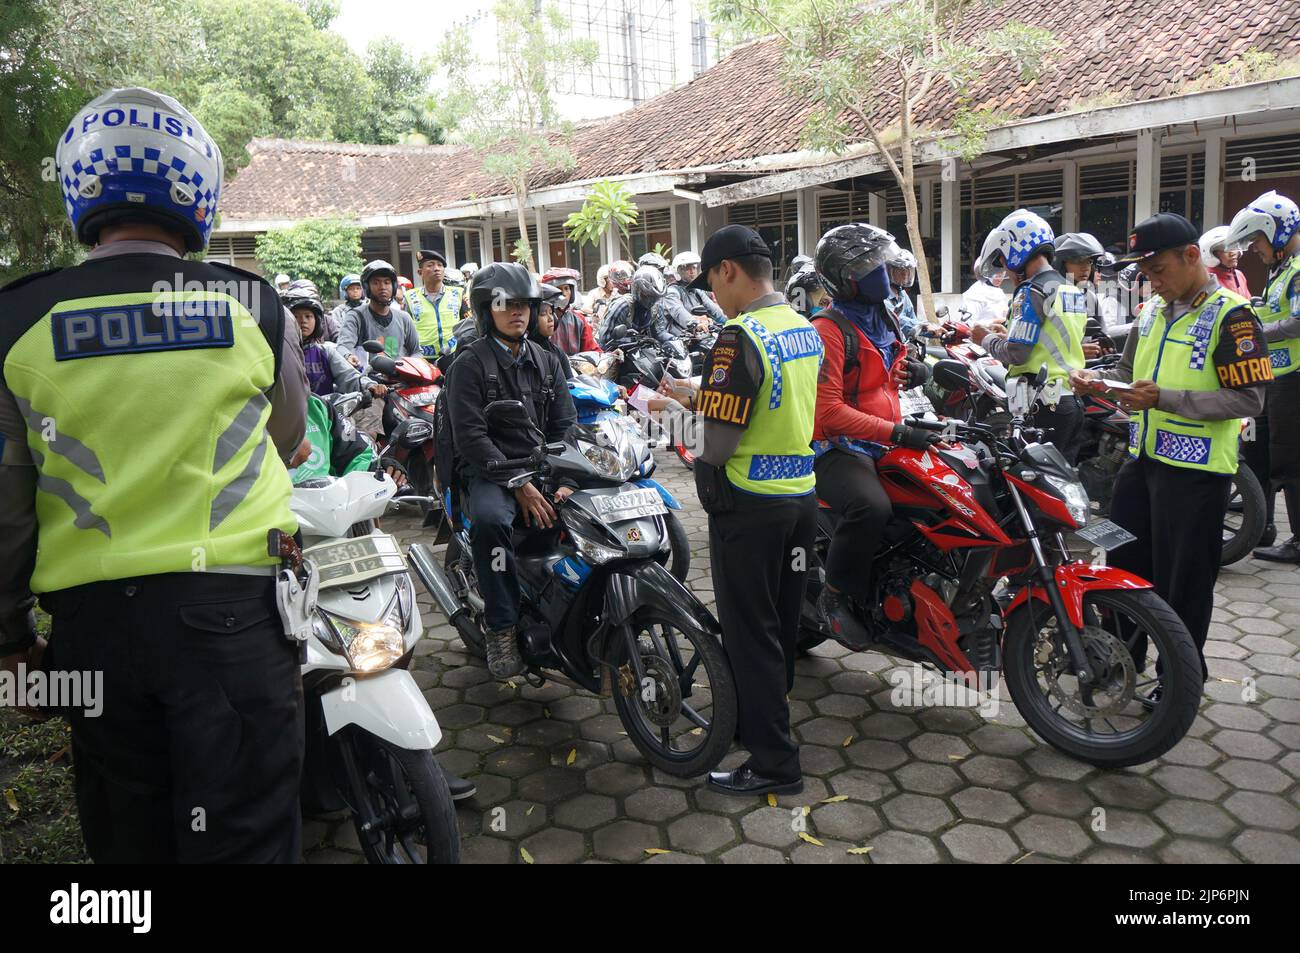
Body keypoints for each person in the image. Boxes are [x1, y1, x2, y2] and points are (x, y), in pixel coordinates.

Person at [0, 86, 308, 862]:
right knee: (244, 836)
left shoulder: (18, 316)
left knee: (128, 841)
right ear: (195, 189)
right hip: (236, 620)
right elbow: (291, 435)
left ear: (80, 187)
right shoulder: (251, 302)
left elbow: (5, 505)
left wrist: (9, 644)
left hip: (93, 634)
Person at [1071, 212, 1270, 687]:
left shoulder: (1233, 316)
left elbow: (1249, 399)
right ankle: (1121, 661)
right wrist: (1095, 383)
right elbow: (1125, 373)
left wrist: (1165, 399)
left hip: (1199, 473)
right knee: (1124, 565)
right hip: (1144, 461)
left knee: (1185, 582)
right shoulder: (1152, 313)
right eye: (1145, 273)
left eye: (1158, 270)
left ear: (1191, 256)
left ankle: (1180, 677)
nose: (1152, 282)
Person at [688, 225, 822, 797]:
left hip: (749, 506)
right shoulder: (803, 327)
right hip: (800, 496)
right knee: (782, 624)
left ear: (728, 271)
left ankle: (774, 762)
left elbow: (717, 444)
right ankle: (767, 721)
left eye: (711, 283)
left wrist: (692, 442)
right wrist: (691, 394)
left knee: (750, 633)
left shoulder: (736, 337)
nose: (712, 297)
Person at [444, 263, 577, 678]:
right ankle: (501, 627)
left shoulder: (547, 359)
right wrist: (517, 483)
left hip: (542, 464)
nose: (516, 312)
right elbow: (470, 437)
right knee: (490, 524)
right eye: (505, 305)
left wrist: (570, 476)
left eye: (523, 304)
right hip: (490, 471)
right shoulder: (469, 364)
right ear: (487, 310)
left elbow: (565, 423)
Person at [808, 225, 936, 644]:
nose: (879, 273)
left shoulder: (886, 314)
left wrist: (918, 371)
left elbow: (885, 377)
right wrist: (895, 433)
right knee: (870, 506)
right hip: (836, 446)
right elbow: (828, 411)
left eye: (879, 263)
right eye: (867, 267)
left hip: (886, 436)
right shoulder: (828, 328)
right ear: (844, 278)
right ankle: (835, 594)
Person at [970, 210, 1088, 463]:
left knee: (1035, 490)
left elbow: (1017, 353)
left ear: (1015, 251)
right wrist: (1008, 333)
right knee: (1062, 487)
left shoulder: (1031, 289)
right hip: (1071, 402)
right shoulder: (1069, 288)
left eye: (1003, 262)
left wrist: (984, 339)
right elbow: (1053, 340)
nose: (1007, 272)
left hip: (1044, 405)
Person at [1223, 190, 1300, 562]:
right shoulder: (1281, 271)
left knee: (1290, 460)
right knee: (1257, 453)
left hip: (1294, 379)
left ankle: (1299, 541)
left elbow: (1298, 322)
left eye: (1258, 241)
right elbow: (1271, 310)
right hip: (1272, 377)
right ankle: (1262, 527)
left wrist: (1257, 333)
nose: (1256, 249)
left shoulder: (1299, 270)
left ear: (1278, 234)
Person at [288, 283, 377, 398]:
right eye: (296, 317)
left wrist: (368, 384)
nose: (303, 321)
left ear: (317, 320)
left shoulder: (326, 351)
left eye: (308, 316)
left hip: (324, 413)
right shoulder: (280, 352)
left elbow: (348, 375)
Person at [336, 258, 420, 367]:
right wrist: (348, 356)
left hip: (401, 378)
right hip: (369, 379)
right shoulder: (356, 316)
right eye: (376, 283)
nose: (383, 287)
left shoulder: (404, 318)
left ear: (393, 286)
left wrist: (410, 366)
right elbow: (342, 347)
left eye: (387, 282)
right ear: (367, 287)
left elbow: (417, 352)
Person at [1053, 232, 1109, 358]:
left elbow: (1101, 332)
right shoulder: (1047, 297)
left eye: (1088, 261)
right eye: (1077, 261)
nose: (1085, 268)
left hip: (1088, 370)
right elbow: (1037, 347)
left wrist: (1104, 345)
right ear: (1060, 263)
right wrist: (1075, 351)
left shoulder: (1089, 296)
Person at [598, 264, 675, 349]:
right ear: (637, 290)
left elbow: (659, 332)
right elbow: (605, 339)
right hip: (615, 353)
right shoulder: (622, 306)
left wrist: (674, 340)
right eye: (648, 296)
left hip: (641, 354)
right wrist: (635, 341)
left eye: (656, 297)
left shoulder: (656, 307)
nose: (652, 301)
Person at [407, 249, 463, 358]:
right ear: (420, 272)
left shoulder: (458, 294)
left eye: (440, 265)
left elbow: (469, 325)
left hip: (454, 356)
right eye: (430, 265)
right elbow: (405, 331)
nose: (436, 269)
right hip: (423, 359)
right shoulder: (409, 297)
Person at [540, 266, 599, 355]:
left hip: (577, 367)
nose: (564, 293)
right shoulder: (540, 318)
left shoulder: (579, 319)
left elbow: (591, 348)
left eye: (566, 288)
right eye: (559, 288)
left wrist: (605, 356)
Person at [667, 251, 727, 329]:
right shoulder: (672, 291)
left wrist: (729, 320)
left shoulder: (696, 290)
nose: (692, 272)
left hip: (699, 332)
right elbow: (678, 311)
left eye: (694, 268)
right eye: (687, 269)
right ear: (678, 271)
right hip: (680, 334)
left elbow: (714, 310)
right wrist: (695, 323)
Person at [1200, 226, 1250, 298]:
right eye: (1226, 250)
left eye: (1235, 247)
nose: (1232, 253)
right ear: (1213, 254)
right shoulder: (1206, 279)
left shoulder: (1239, 275)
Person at [885, 246, 923, 338]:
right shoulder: (883, 294)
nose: (905, 275)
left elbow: (913, 319)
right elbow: (897, 320)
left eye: (908, 271)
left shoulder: (903, 294)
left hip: (906, 344)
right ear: (890, 271)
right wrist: (925, 326)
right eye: (901, 271)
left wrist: (932, 328)